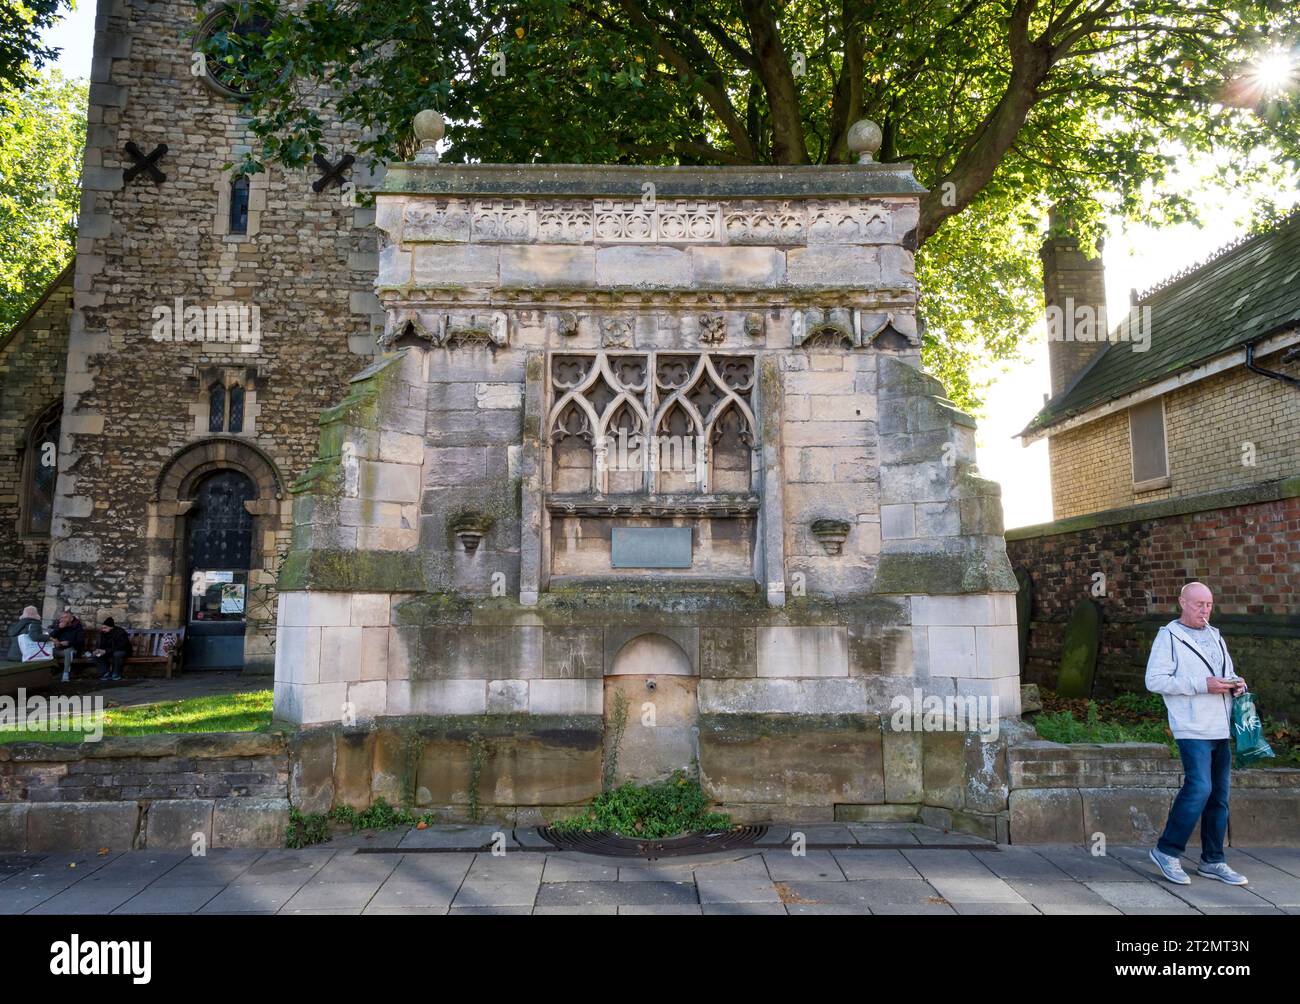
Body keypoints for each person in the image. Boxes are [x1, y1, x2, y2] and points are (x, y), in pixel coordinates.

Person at [1146, 581, 1248, 887]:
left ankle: (1213, 860)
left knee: (1219, 796)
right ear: (1182, 602)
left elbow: (1225, 673)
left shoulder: (1215, 635)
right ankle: (1166, 851)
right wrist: (1202, 684)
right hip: (1191, 727)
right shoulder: (1169, 637)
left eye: (1208, 604)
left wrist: (1237, 684)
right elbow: (1154, 680)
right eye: (1197, 604)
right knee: (1199, 788)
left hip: (1221, 726)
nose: (1204, 609)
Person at [49, 610, 86, 683]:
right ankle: (50, 672)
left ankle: (65, 674)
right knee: (48, 651)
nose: (62, 619)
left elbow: (81, 642)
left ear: (71, 618)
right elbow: (51, 636)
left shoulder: (78, 627)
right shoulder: (60, 625)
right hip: (60, 649)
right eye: (62, 617)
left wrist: (69, 643)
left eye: (65, 617)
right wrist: (59, 628)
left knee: (68, 651)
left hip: (73, 650)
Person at [92, 617, 132, 681]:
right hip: (108, 652)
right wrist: (97, 650)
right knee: (96, 655)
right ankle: (105, 673)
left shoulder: (120, 633)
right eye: (102, 628)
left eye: (105, 628)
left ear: (111, 627)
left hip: (122, 651)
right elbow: (100, 645)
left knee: (117, 654)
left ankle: (116, 674)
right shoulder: (103, 633)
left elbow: (120, 647)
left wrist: (105, 651)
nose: (103, 629)